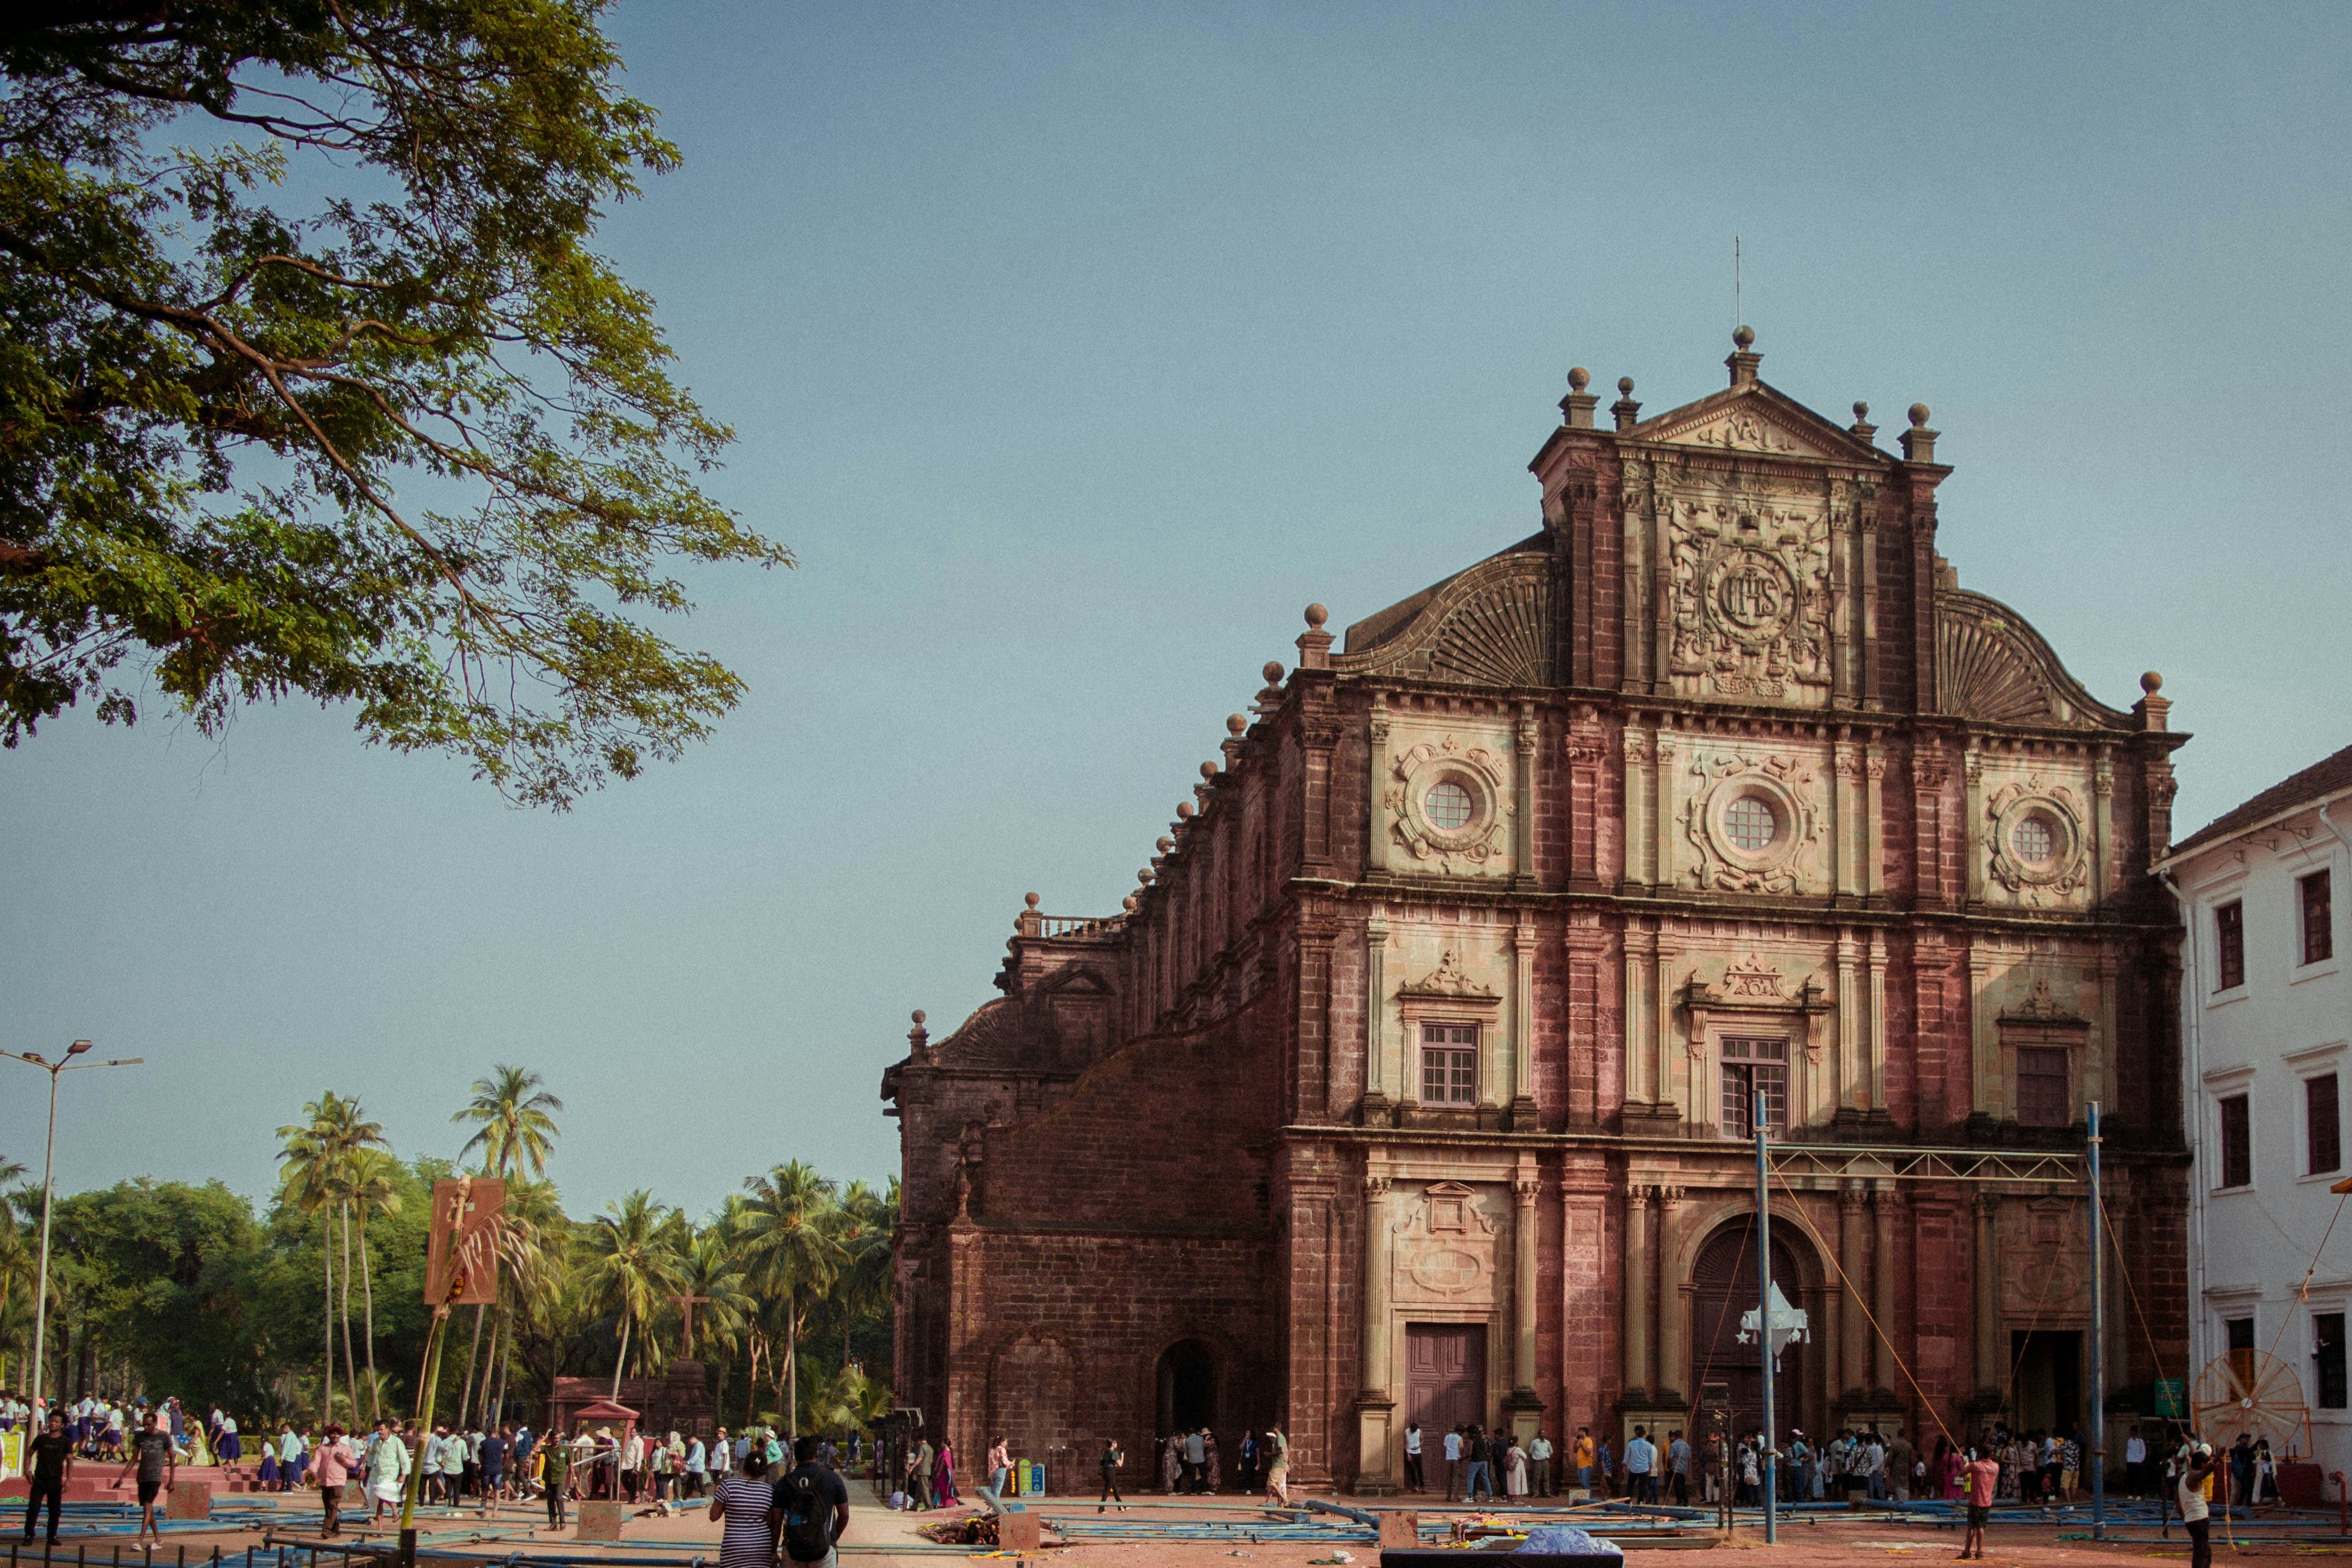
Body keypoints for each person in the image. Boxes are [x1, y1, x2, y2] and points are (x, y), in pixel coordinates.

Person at [771, 1436, 851, 1568]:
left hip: (793, 1549)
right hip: (824, 1550)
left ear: (795, 1456)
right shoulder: (833, 1479)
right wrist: (832, 1539)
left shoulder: (784, 1483)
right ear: (816, 1454)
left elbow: (776, 1520)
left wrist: (773, 1551)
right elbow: (844, 1515)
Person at [119, 1409, 176, 1550]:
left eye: (149, 1424)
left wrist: (172, 1480)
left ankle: (140, 1540)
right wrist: (122, 1476)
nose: (146, 1427)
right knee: (147, 1509)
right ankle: (158, 1538)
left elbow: (172, 1458)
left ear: (155, 1423)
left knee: (147, 1509)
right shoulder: (140, 1437)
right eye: (144, 1424)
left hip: (155, 1478)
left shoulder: (164, 1437)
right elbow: (134, 1458)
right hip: (142, 1477)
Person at [711, 1447, 772, 1568]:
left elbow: (714, 1516)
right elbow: (770, 1523)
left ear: (744, 1464)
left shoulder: (728, 1486)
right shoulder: (769, 1491)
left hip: (734, 1548)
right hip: (761, 1547)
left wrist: (720, 1500)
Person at [21, 1410, 72, 1547]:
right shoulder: (41, 1439)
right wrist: (27, 1471)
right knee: (33, 1508)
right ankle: (29, 1534)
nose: (53, 1424)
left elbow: (70, 1461)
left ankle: (52, 1536)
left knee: (55, 1510)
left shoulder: (65, 1442)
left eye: (56, 1422)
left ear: (62, 1425)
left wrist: (68, 1479)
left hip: (55, 1481)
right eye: (51, 1421)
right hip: (40, 1480)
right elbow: (29, 1453)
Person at [2179, 1442, 2220, 1568]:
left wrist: (2184, 1516)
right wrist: (2219, 1456)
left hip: (2191, 1519)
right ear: (2202, 1465)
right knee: (2201, 1554)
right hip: (2199, 1519)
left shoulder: (2185, 1477)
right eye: (2205, 1464)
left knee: (2206, 1552)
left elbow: (2176, 1500)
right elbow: (2205, 1473)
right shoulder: (2194, 1476)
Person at [1959, 1445, 2001, 1561]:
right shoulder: (1996, 1467)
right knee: (1981, 1527)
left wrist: (1966, 1464)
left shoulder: (1975, 1466)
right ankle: (1979, 1552)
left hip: (1975, 1500)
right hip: (1987, 1501)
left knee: (1971, 1527)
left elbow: (1961, 1473)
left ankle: (1967, 1551)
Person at [313, 1425, 354, 1538]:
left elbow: (353, 1463)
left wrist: (344, 1460)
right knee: (329, 1506)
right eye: (333, 1434)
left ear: (340, 1436)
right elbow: (316, 1461)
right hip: (325, 1481)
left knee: (332, 1505)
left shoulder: (345, 1448)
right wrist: (313, 1471)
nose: (335, 1436)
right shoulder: (322, 1449)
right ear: (328, 1435)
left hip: (338, 1481)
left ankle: (326, 1531)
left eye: (337, 1434)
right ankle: (336, 1530)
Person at [367, 1419, 410, 1524]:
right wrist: (369, 1466)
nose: (380, 1432)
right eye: (378, 1430)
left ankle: (395, 1510)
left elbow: (404, 1459)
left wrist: (404, 1475)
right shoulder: (377, 1442)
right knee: (378, 1499)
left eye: (382, 1430)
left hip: (391, 1474)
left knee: (381, 1491)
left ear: (388, 1429)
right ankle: (380, 1529)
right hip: (378, 1473)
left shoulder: (397, 1442)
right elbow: (372, 1454)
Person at [1625, 1426, 1656, 1505]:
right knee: (1642, 1486)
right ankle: (1640, 1501)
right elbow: (1650, 1459)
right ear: (1645, 1435)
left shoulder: (1631, 1444)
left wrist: (1624, 1465)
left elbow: (1627, 1456)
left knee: (1630, 1486)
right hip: (1644, 1469)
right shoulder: (1648, 1445)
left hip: (1633, 1468)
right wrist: (1650, 1469)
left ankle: (1627, 1501)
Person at [1098, 1437, 1127, 1512]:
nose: (1117, 1444)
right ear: (1112, 1444)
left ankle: (1121, 1506)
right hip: (1110, 1472)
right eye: (1115, 1443)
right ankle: (1101, 1508)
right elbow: (1120, 1464)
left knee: (1115, 1490)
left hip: (1105, 1471)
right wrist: (1122, 1457)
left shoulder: (1105, 1452)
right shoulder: (1114, 1453)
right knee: (1107, 1490)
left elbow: (1103, 1463)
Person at [1263, 1427, 1290, 1506]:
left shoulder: (1279, 1439)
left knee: (1272, 1483)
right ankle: (1279, 1503)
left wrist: (1270, 1454)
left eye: (1272, 1437)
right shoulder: (1276, 1443)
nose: (1270, 1439)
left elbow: (1283, 1452)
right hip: (1278, 1465)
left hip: (1279, 1465)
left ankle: (1283, 1499)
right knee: (1275, 1485)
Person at [1668, 1430, 1691, 1505]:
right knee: (1683, 1485)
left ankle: (1680, 1500)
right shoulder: (1687, 1446)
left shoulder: (1673, 1445)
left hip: (1676, 1468)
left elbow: (1670, 1457)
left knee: (1677, 1485)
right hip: (1684, 1468)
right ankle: (1686, 1500)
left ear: (1675, 1436)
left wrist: (1669, 1466)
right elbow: (1689, 1458)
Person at [1504, 1435, 1529, 1499]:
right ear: (1515, 1443)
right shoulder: (1518, 1449)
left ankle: (1510, 1496)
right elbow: (1525, 1456)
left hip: (1510, 1468)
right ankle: (1517, 1497)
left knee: (1510, 1483)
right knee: (1517, 1483)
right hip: (1517, 1469)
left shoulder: (1508, 1449)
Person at [1443, 1425, 1464, 1500]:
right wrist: (1462, 1455)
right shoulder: (1459, 1438)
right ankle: (1456, 1497)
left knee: (1449, 1478)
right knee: (1457, 1478)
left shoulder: (1447, 1437)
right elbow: (1461, 1448)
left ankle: (1448, 1496)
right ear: (1459, 1432)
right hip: (1456, 1458)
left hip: (1448, 1458)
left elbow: (1445, 1448)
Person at [1530, 1429, 1553, 1498]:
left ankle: (1547, 1493)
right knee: (1536, 1477)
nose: (1543, 1435)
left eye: (1544, 1433)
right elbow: (1530, 1451)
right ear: (1539, 1434)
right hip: (1537, 1461)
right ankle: (1536, 1493)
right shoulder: (1534, 1442)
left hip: (1545, 1461)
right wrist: (1536, 1456)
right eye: (1542, 1433)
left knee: (1546, 1477)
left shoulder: (1547, 1443)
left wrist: (1547, 1456)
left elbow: (1551, 1451)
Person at [987, 1435, 1010, 1499]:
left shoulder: (991, 1450)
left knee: (994, 1489)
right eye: (1006, 1442)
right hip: (1000, 1470)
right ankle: (995, 1506)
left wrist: (990, 1472)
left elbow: (989, 1462)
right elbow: (1004, 1461)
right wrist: (1010, 1463)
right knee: (997, 1490)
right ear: (1002, 1442)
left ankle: (991, 1505)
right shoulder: (1002, 1449)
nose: (1006, 1444)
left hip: (992, 1471)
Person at [1403, 1423, 1423, 1493]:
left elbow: (1422, 1440)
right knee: (1412, 1470)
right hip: (1410, 1453)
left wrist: (1418, 1446)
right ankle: (1416, 1485)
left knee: (1420, 1469)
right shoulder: (1406, 1432)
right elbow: (1404, 1443)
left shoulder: (1419, 1431)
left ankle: (1422, 1485)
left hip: (1418, 1452)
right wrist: (1407, 1454)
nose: (1413, 1431)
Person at [1573, 1426, 1594, 1494]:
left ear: (1584, 1432)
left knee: (1585, 1483)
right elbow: (1575, 1451)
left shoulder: (1588, 1440)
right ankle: (1588, 1498)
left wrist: (1582, 1445)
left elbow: (1588, 1452)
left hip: (1586, 1465)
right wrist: (1576, 1441)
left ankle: (1590, 1499)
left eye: (1580, 1432)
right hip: (1580, 1465)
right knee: (1582, 1483)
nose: (1579, 1433)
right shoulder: (1580, 1441)